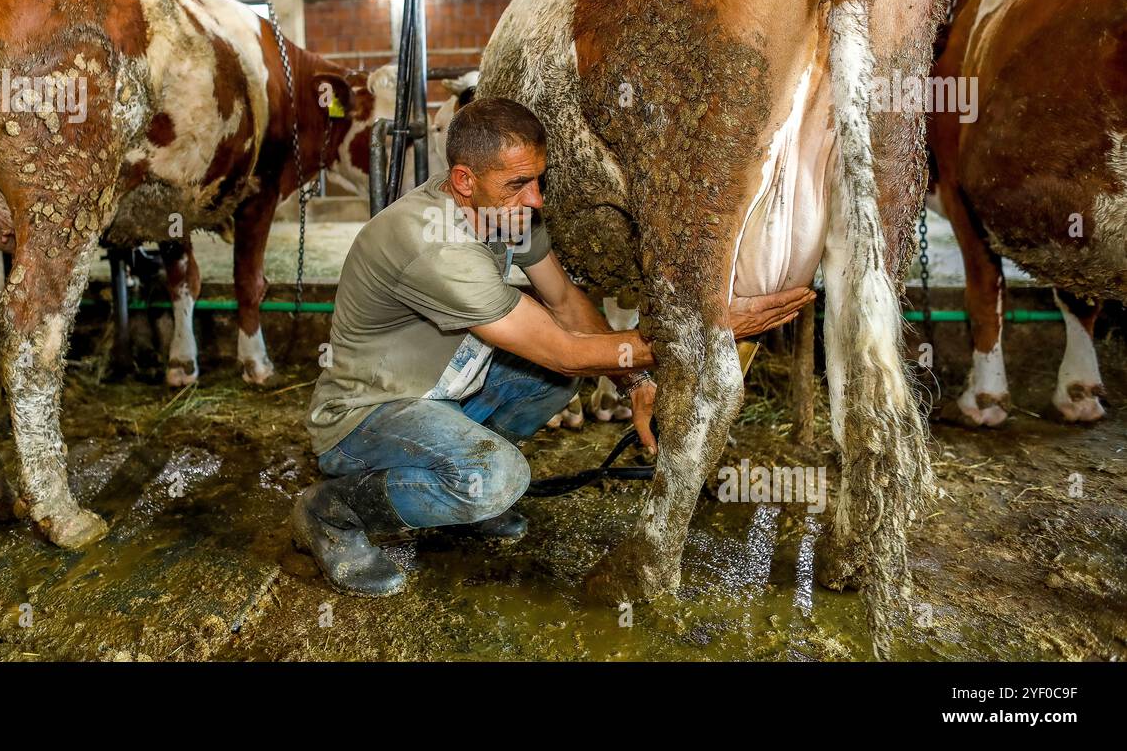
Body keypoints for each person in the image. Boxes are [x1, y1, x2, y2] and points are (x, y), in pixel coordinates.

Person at [292, 97, 814, 595]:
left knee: (555, 382)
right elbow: (564, 347)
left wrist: (635, 381)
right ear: (463, 180)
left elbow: (565, 303)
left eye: (539, 179)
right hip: (365, 416)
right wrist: (704, 333)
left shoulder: (506, 214)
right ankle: (334, 510)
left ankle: (459, 497)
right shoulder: (433, 244)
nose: (536, 198)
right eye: (519, 183)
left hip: (440, 392)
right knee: (498, 474)